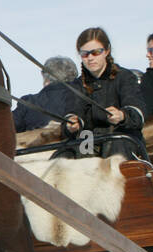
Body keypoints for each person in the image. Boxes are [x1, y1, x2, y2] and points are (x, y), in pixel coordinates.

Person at [60, 27, 147, 158]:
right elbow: (73, 111)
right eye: (85, 54)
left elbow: (137, 113)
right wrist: (71, 124)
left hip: (121, 136)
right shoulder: (77, 85)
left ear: (106, 51)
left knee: (117, 150)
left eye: (95, 52)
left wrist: (122, 115)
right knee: (66, 156)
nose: (90, 58)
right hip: (89, 139)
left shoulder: (124, 77)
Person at [12, 56, 79, 133]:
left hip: (38, 143)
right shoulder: (83, 99)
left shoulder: (28, 102)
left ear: (44, 76)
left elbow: (7, 128)